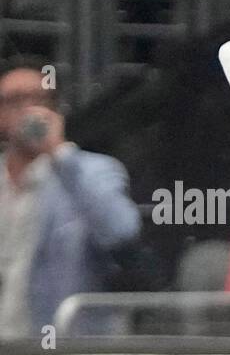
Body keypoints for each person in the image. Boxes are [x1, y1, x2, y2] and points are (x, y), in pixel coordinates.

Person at [0, 61, 141, 337]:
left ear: (53, 108)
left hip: (64, 351)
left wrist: (59, 152)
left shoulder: (90, 171)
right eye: (14, 100)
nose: (27, 109)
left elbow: (122, 231)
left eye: (38, 99)